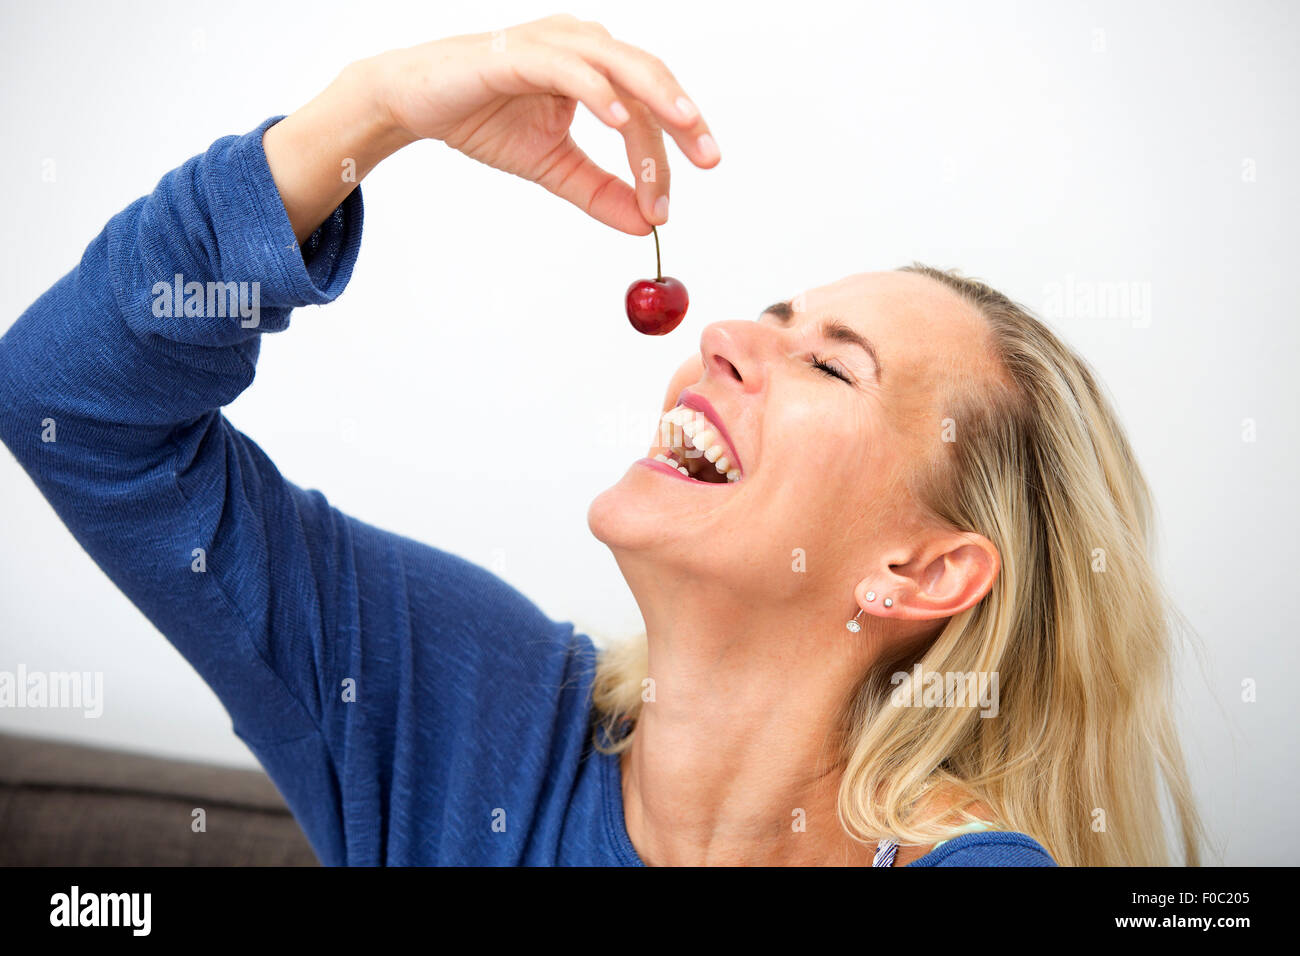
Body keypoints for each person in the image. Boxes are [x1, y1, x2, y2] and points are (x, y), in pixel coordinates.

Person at [0, 14, 1203, 866]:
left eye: (831, 362)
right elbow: (72, 405)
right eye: (768, 317)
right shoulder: (459, 703)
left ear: (924, 570)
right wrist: (371, 112)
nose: (725, 333)